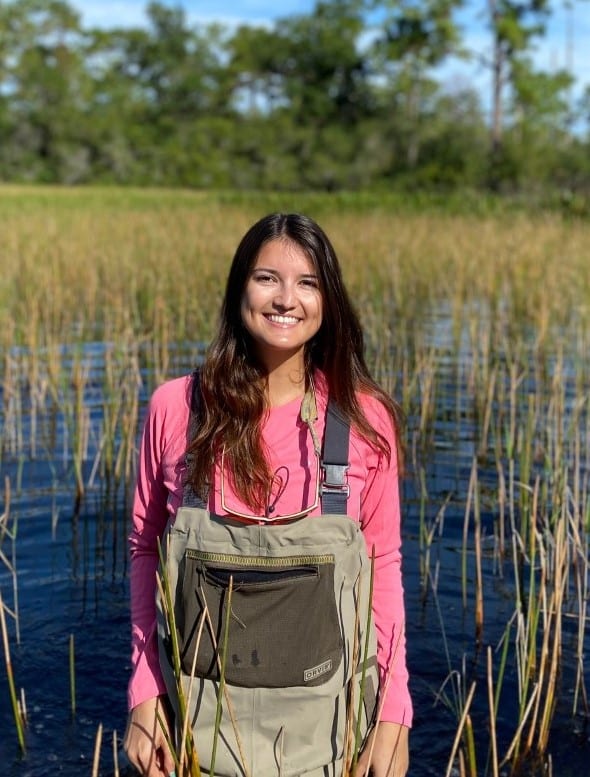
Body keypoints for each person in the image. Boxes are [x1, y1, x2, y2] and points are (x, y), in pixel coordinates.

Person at [124, 212, 412, 777]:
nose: (286, 299)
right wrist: (142, 694)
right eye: (267, 278)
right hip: (191, 734)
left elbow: (384, 566)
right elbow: (144, 551)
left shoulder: (364, 419)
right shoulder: (177, 408)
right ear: (239, 291)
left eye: (307, 283)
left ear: (328, 302)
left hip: (329, 737)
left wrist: (394, 714)